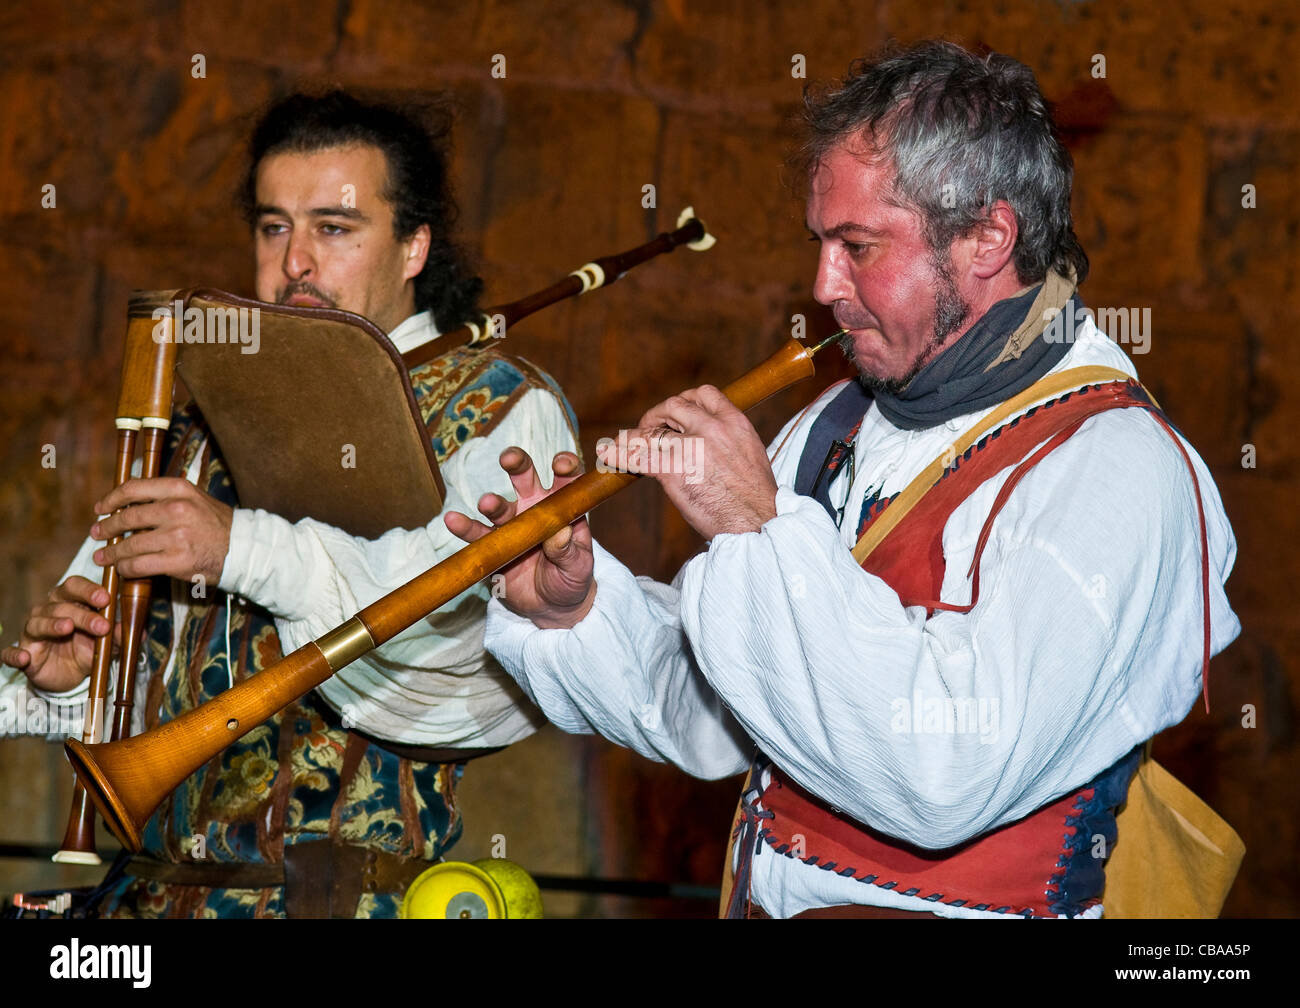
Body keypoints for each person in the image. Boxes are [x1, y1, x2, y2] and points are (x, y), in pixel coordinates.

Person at [448, 41, 1241, 918]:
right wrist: (577, 613)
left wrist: (759, 532)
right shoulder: (831, 430)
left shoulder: (1113, 467)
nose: (825, 285)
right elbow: (714, 715)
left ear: (987, 237)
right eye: (820, 244)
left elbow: (945, 774)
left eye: (858, 246)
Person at [0, 90, 579, 918]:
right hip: (142, 903)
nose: (295, 262)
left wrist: (239, 547)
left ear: (414, 246)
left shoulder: (501, 409)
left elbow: (451, 655)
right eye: (274, 227)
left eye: (333, 228)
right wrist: (66, 686)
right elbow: (109, 688)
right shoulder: (197, 424)